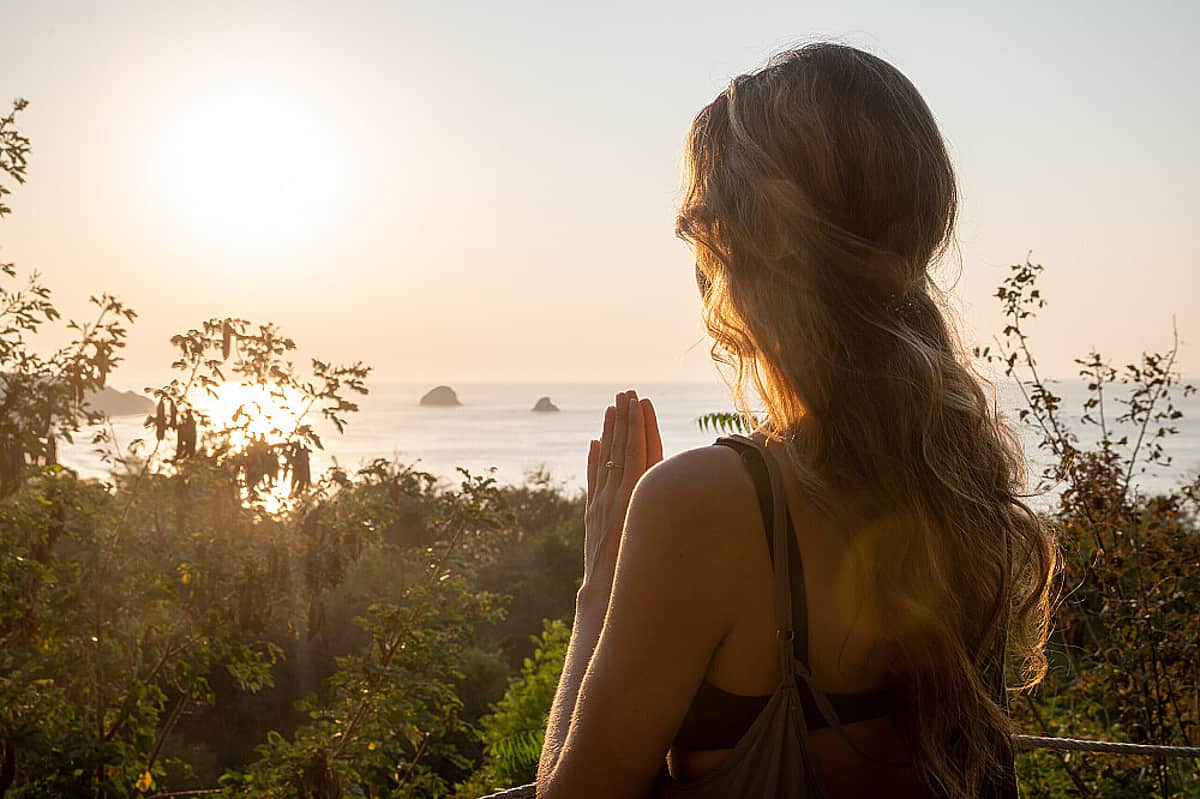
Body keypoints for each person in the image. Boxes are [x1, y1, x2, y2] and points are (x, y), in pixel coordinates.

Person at [535, 43, 1057, 799]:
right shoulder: (963, 477)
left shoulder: (707, 505)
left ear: (769, 228)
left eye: (706, 229)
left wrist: (600, 581)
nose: (703, 266)